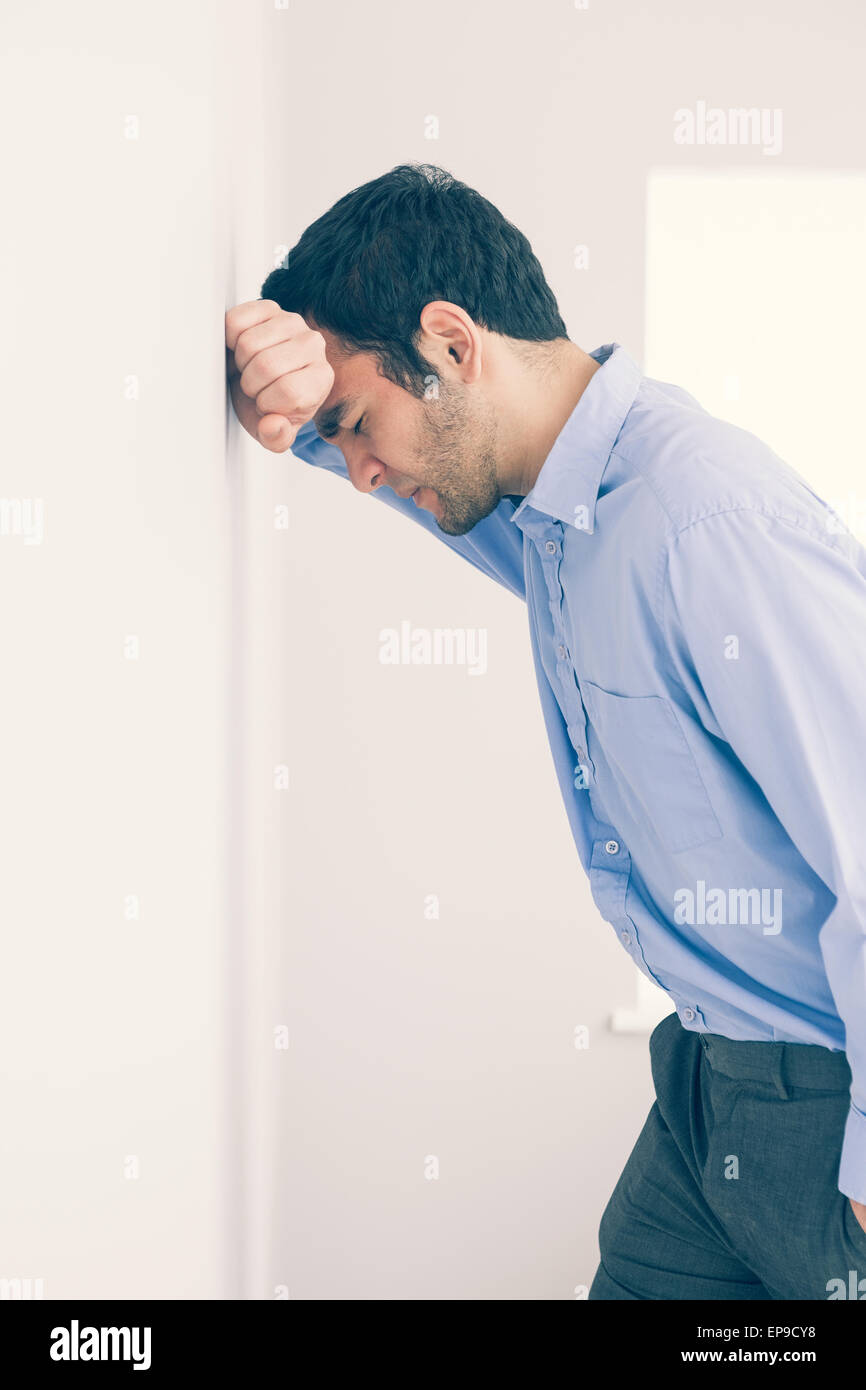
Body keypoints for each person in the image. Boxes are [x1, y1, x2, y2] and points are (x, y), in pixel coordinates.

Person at [225, 163, 866, 1300]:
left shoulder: (702, 524)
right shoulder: (551, 520)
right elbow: (376, 460)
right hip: (710, 1080)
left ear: (451, 342)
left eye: (361, 423)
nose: (363, 469)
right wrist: (287, 404)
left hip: (829, 1107)